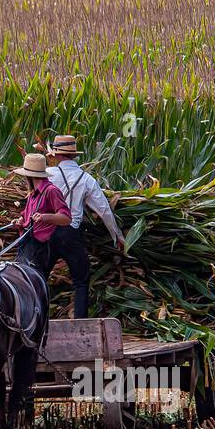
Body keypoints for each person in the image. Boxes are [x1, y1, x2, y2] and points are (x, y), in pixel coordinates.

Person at [40, 135, 125, 319]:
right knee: (81, 280)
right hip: (71, 234)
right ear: (74, 155)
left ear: (56, 155)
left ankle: (38, 319)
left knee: (39, 278)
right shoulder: (86, 179)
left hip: (47, 233)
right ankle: (80, 324)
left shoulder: (47, 174)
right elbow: (104, 211)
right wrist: (117, 235)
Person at [11, 153, 72, 288]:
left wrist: (45, 217)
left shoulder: (51, 191)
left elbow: (66, 218)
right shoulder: (33, 193)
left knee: (33, 287)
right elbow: (27, 216)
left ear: (28, 175)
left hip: (39, 250)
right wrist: (20, 221)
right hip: (26, 247)